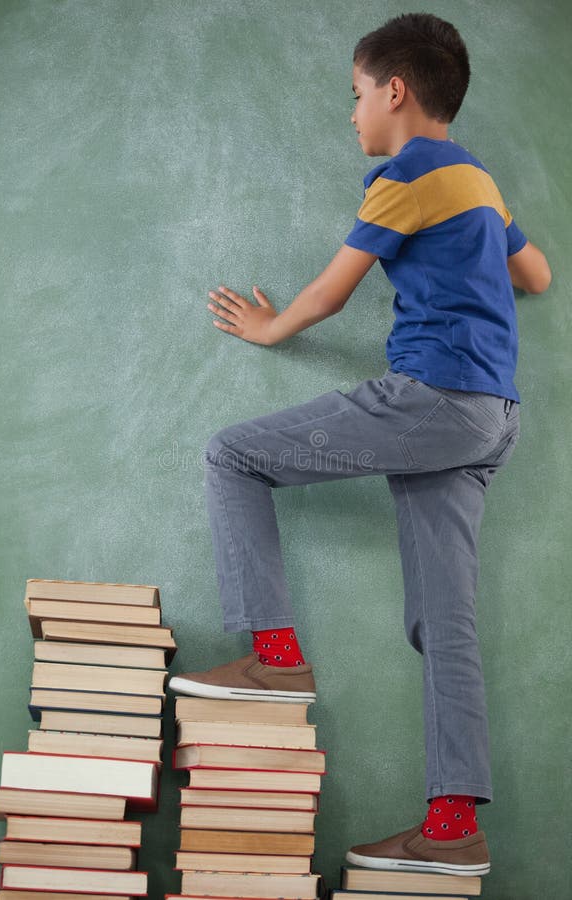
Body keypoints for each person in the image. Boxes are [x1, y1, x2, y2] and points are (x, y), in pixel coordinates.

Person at [168, 11, 551, 876]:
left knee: (232, 455)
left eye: (353, 96)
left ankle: (275, 659)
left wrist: (269, 331)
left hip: (436, 397)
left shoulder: (408, 173)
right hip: (493, 418)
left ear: (394, 91)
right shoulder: (479, 184)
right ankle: (451, 824)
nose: (351, 117)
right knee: (444, 624)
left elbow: (332, 293)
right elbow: (538, 276)